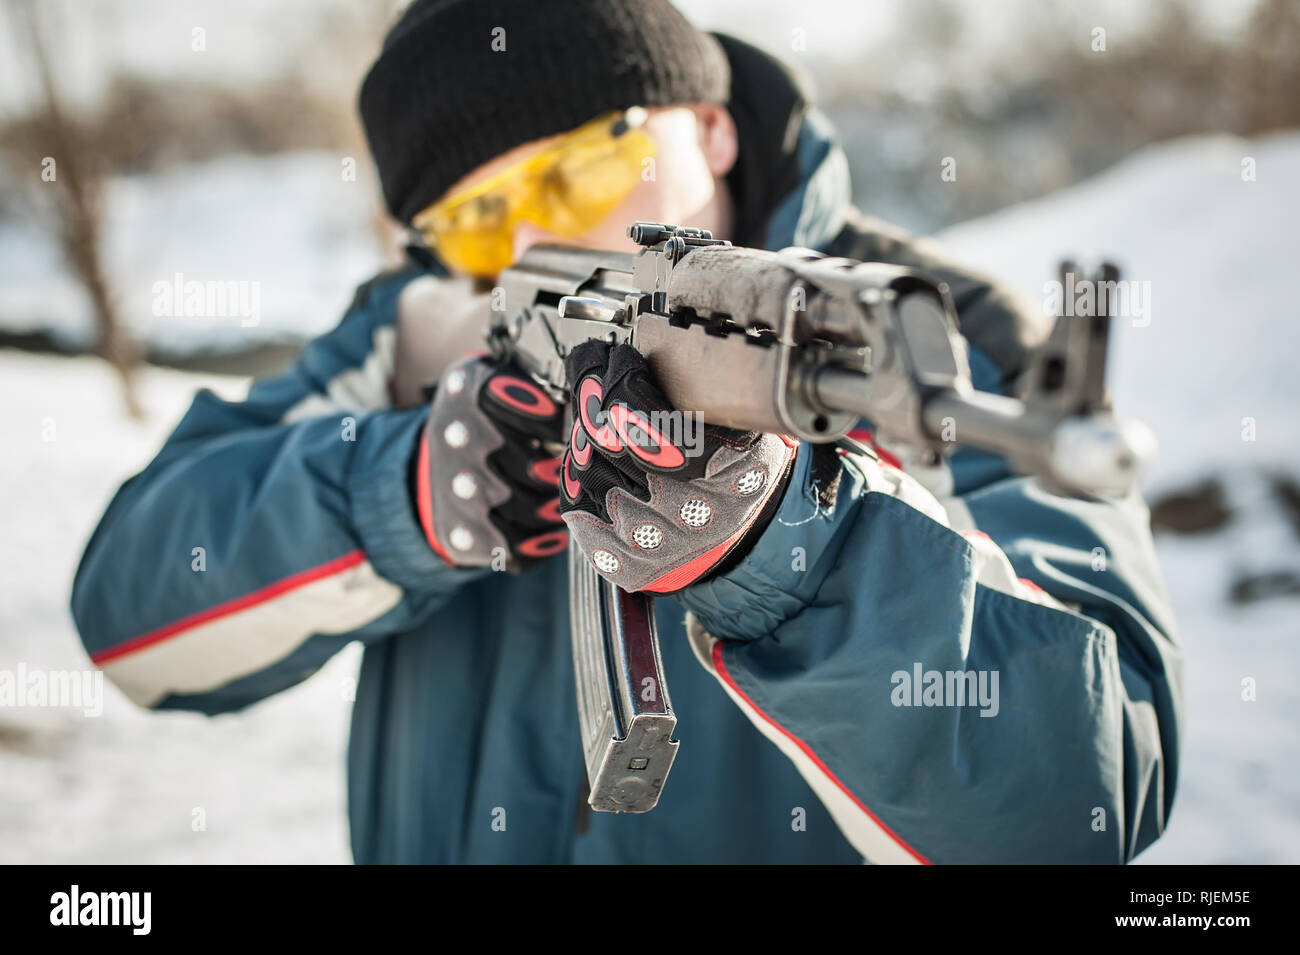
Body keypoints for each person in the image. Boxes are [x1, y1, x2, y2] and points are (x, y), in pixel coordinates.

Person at [70, 0, 1181, 864]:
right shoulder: (398, 341)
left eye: (584, 164)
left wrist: (790, 552)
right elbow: (130, 622)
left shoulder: (951, 348)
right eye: (479, 218)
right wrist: (401, 496)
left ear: (709, 124)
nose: (540, 236)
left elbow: (1079, 805)